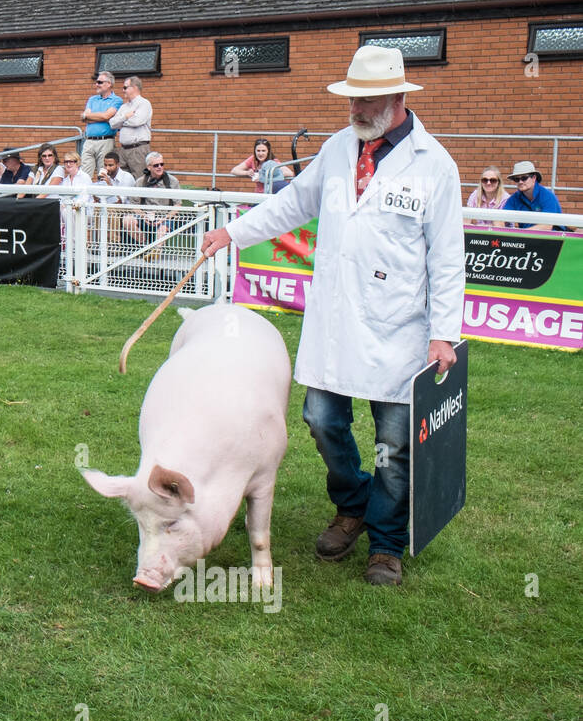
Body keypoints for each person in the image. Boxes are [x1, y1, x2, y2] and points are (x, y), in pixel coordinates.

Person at [202, 45, 465, 587]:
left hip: (401, 332)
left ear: (395, 99)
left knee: (394, 445)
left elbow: (447, 257)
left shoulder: (434, 164)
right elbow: (293, 203)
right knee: (321, 420)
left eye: (364, 101)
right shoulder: (338, 148)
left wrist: (444, 335)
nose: (354, 110)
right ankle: (353, 503)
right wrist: (233, 231)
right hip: (337, 323)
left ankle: (386, 544)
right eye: (352, 100)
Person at [123, 152, 182, 248]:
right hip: (146, 217)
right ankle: (144, 246)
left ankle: (155, 252)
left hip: (164, 217)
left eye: (161, 164)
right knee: (127, 220)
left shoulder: (172, 181)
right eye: (156, 165)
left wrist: (165, 218)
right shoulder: (141, 182)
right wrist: (144, 216)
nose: (159, 167)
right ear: (149, 167)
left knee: (162, 229)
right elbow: (134, 204)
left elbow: (178, 205)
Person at [501, 160, 567, 231]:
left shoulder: (547, 196)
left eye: (524, 178)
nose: (520, 182)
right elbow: (500, 217)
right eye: (516, 179)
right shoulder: (514, 198)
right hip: (526, 239)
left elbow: (546, 226)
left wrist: (521, 234)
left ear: (534, 178)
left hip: (553, 239)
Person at [79, 71, 122, 177]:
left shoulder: (117, 100)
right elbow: (85, 117)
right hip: (89, 141)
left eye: (100, 82)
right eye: (96, 82)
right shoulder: (92, 99)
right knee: (84, 174)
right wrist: (101, 117)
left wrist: (90, 116)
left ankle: (101, 194)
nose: (96, 84)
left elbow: (106, 116)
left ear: (109, 84)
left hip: (106, 141)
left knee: (103, 174)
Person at [110, 76, 153, 177]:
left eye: (125, 87)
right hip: (123, 150)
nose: (123, 90)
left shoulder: (144, 103)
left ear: (134, 88)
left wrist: (121, 121)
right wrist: (126, 116)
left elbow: (137, 121)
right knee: (122, 180)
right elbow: (112, 123)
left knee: (139, 180)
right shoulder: (124, 107)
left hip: (138, 149)